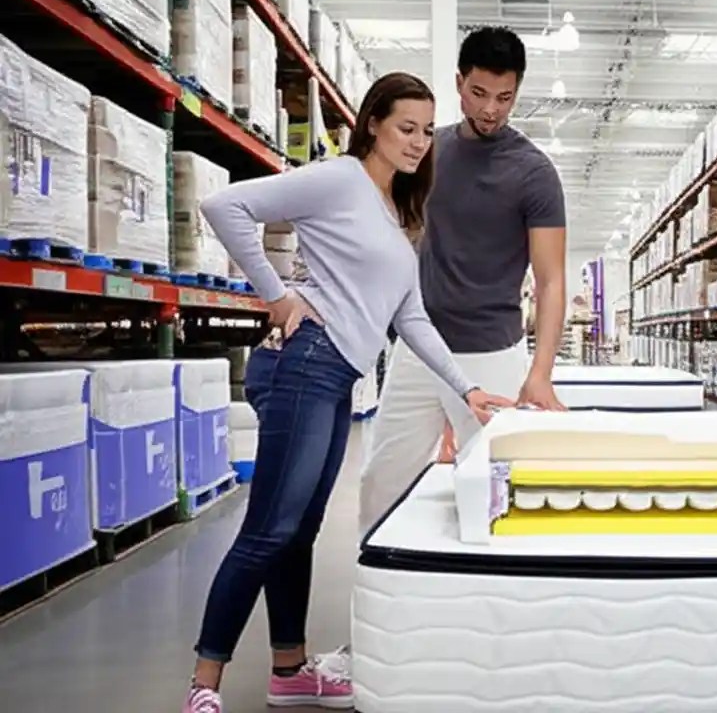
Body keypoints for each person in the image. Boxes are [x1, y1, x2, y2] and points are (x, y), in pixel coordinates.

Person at [183, 72, 513, 713]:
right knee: (267, 530)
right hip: (306, 363)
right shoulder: (340, 180)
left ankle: (288, 671)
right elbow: (226, 207)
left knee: (299, 531)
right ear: (372, 125)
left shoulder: (397, 215)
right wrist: (276, 296)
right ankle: (204, 685)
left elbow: (411, 316)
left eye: (424, 131)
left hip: (339, 375)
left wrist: (465, 388)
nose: (419, 142)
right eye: (405, 128)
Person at [358, 26, 570, 533]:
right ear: (458, 83)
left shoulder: (534, 174)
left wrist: (540, 373)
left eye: (504, 97)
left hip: (492, 357)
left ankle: (488, 602)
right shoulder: (427, 152)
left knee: (497, 496)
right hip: (420, 349)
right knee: (380, 483)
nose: (491, 109)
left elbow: (552, 280)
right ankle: (383, 593)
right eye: (478, 94)